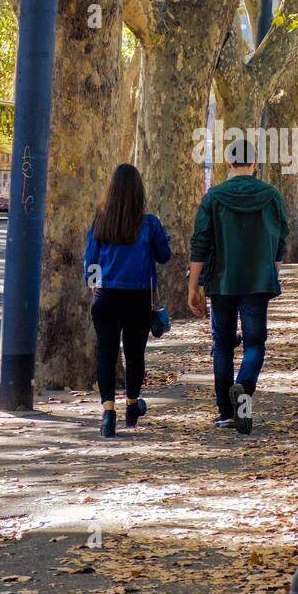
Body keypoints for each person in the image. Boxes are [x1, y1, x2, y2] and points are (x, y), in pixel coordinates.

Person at [188, 137, 287, 434]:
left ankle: (226, 411)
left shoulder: (214, 197)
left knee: (222, 345)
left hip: (222, 281)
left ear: (228, 163)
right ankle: (244, 386)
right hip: (258, 281)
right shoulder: (271, 195)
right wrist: (273, 268)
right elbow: (282, 237)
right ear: (254, 163)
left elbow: (200, 242)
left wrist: (194, 285)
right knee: (255, 343)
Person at [84, 163, 172, 439]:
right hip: (137, 298)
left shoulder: (101, 221)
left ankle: (107, 413)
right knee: (135, 355)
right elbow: (164, 255)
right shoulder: (149, 224)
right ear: (138, 192)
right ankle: (132, 406)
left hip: (106, 295)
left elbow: (90, 261)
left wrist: (94, 287)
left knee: (106, 355)